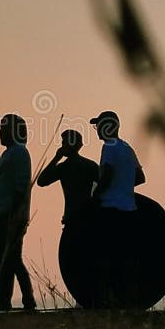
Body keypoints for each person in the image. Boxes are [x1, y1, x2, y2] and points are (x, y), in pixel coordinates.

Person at [90, 110, 145, 306]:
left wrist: (96, 195)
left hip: (110, 208)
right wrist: (124, 186)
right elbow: (140, 177)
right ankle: (129, 299)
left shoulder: (109, 147)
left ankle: (108, 299)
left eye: (99, 126)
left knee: (107, 255)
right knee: (126, 256)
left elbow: (106, 175)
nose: (97, 130)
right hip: (129, 208)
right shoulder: (127, 148)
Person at [0, 114, 37, 311]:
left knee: (12, 258)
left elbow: (20, 186)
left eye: (4, 130)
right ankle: (4, 301)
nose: (0, 133)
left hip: (9, 216)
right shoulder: (9, 153)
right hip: (1, 215)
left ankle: (28, 300)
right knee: (6, 260)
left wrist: (13, 216)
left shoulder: (19, 153)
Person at [36, 129, 99, 226]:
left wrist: (56, 158)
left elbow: (42, 181)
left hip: (73, 219)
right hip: (89, 217)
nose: (62, 146)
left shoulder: (65, 167)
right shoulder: (90, 165)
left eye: (64, 143)